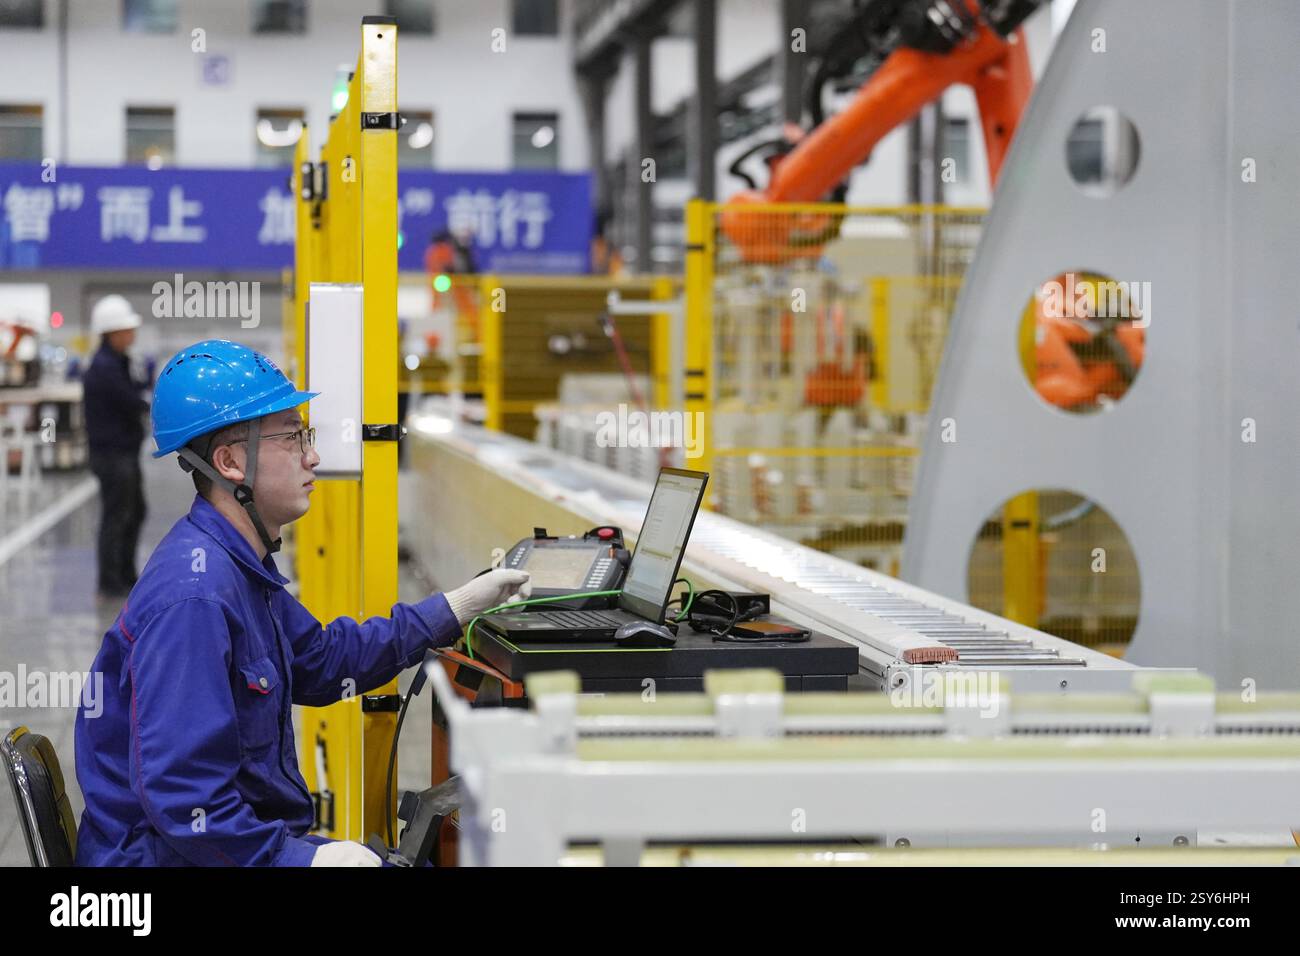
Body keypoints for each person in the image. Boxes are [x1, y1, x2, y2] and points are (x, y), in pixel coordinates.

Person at [74, 339, 530, 866]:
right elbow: (188, 806)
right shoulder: (195, 598)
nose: (313, 455)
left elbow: (322, 661)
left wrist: (455, 607)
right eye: (293, 437)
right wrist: (303, 860)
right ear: (230, 462)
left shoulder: (238, 566)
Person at [81, 294, 150, 598]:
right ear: (112, 332)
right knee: (118, 515)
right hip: (112, 455)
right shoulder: (105, 367)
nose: (132, 335)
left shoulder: (119, 362)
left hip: (123, 453)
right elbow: (130, 401)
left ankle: (124, 574)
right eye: (127, 329)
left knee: (134, 512)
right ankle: (111, 581)